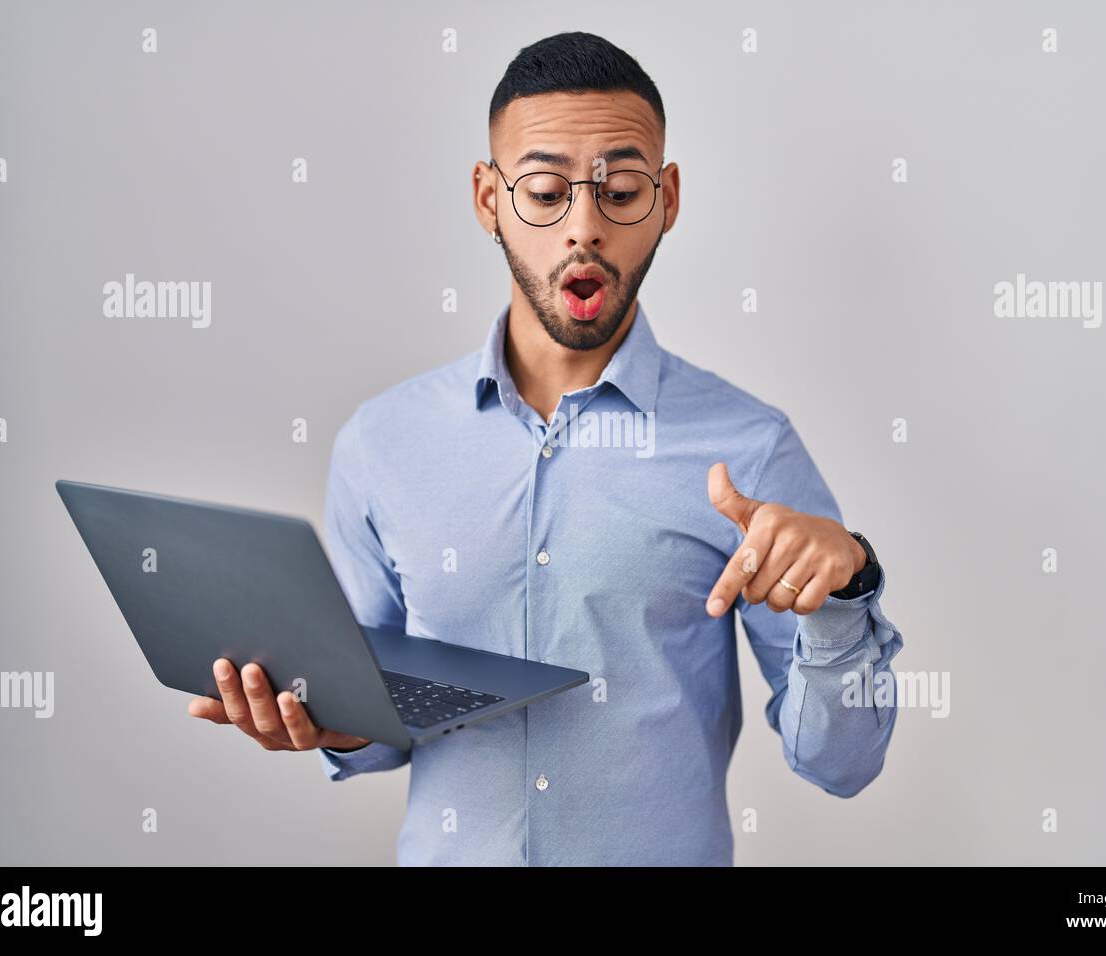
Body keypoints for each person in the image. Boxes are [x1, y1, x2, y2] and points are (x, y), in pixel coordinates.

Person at [189, 31, 904, 866]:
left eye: (622, 189)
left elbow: (843, 763)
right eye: (544, 191)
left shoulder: (750, 447)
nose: (584, 228)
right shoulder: (382, 444)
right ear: (488, 199)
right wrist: (317, 719)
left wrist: (845, 590)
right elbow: (377, 729)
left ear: (668, 199)